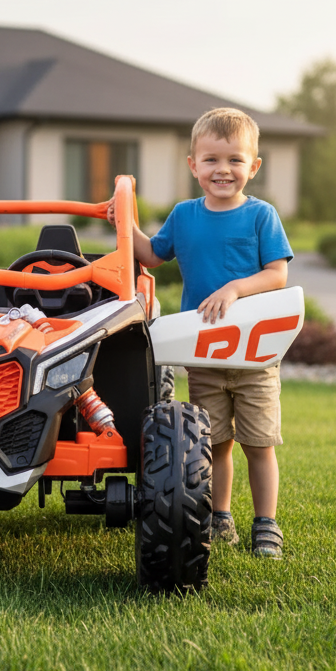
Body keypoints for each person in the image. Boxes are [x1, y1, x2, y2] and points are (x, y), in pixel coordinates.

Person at [107, 108, 293, 557]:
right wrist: (125, 221)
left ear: (254, 166)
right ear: (193, 165)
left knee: (259, 444)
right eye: (211, 160)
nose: (222, 170)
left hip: (253, 353)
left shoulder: (260, 216)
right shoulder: (185, 216)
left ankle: (266, 525)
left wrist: (235, 288)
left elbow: (277, 275)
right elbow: (152, 255)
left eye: (234, 160)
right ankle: (220, 515)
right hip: (204, 350)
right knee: (215, 443)